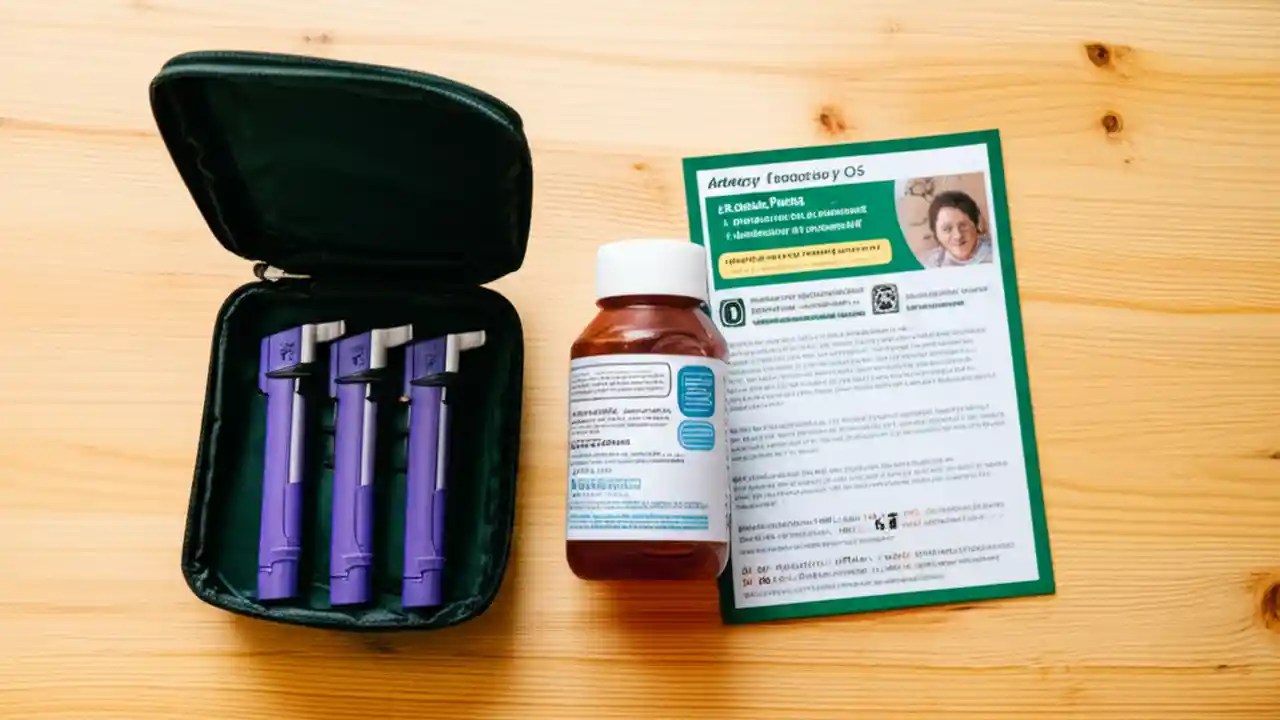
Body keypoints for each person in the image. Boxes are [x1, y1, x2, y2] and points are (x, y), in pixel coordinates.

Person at [922, 190, 993, 267]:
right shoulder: (930, 264)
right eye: (947, 229)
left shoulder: (995, 254)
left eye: (963, 226)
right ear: (936, 233)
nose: (958, 236)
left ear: (976, 224)